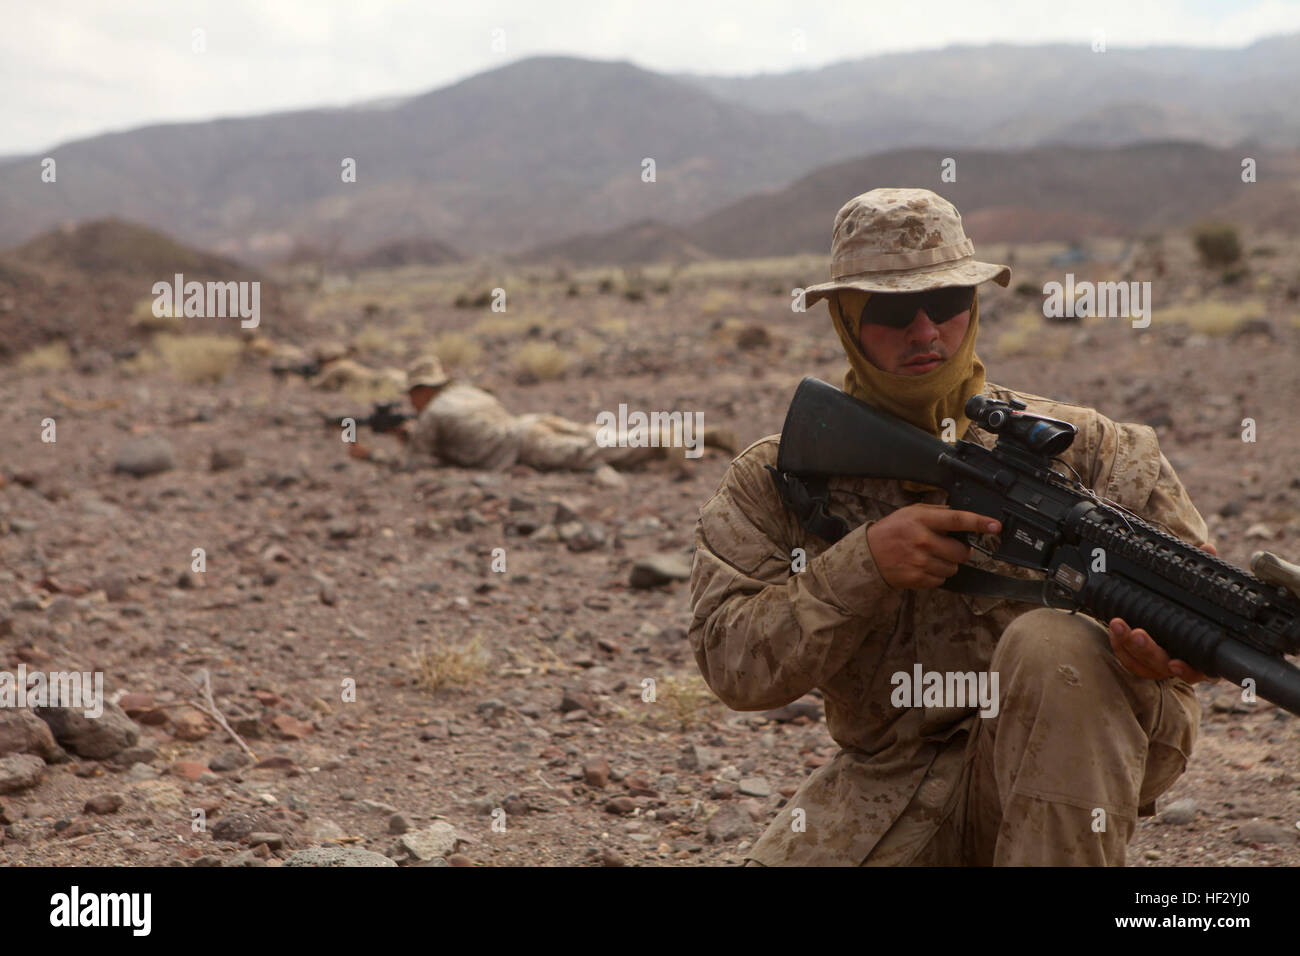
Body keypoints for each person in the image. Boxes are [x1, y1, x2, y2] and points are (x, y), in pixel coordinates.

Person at [688, 187, 1217, 866]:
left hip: (1073, 777)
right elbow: (732, 666)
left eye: (946, 304)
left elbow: (1190, 659)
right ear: (845, 318)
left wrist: (1167, 656)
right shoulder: (781, 476)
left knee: (1055, 645)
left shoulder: (1097, 453)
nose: (924, 332)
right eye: (891, 311)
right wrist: (863, 565)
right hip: (887, 790)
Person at [401, 355, 735, 473]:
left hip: (522, 443)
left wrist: (398, 440)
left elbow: (418, 462)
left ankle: (661, 440)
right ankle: (696, 435)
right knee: (603, 435)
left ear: (422, 390)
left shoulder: (432, 413)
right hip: (532, 422)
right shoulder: (466, 391)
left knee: (594, 451)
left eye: (412, 394)